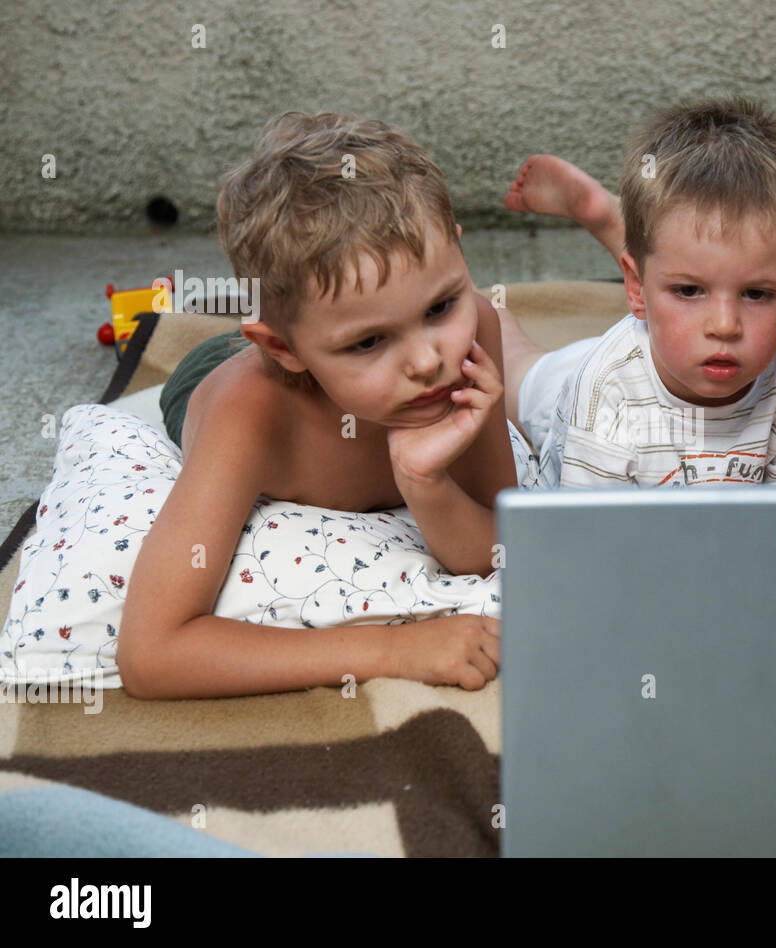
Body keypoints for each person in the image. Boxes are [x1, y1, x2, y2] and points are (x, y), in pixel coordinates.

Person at [120, 113, 515, 699]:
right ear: (284, 347)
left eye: (439, 306)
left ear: (459, 256)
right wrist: (395, 649)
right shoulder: (249, 417)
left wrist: (425, 482)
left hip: (296, 339)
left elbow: (493, 550)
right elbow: (152, 655)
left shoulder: (474, 332)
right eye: (368, 342)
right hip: (214, 379)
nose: (427, 361)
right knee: (217, 363)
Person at [499, 99, 776, 488]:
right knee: (518, 369)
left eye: (757, 294)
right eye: (690, 290)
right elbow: (595, 540)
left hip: (652, 347)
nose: (725, 326)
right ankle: (486, 311)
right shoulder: (604, 396)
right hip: (577, 383)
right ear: (636, 286)